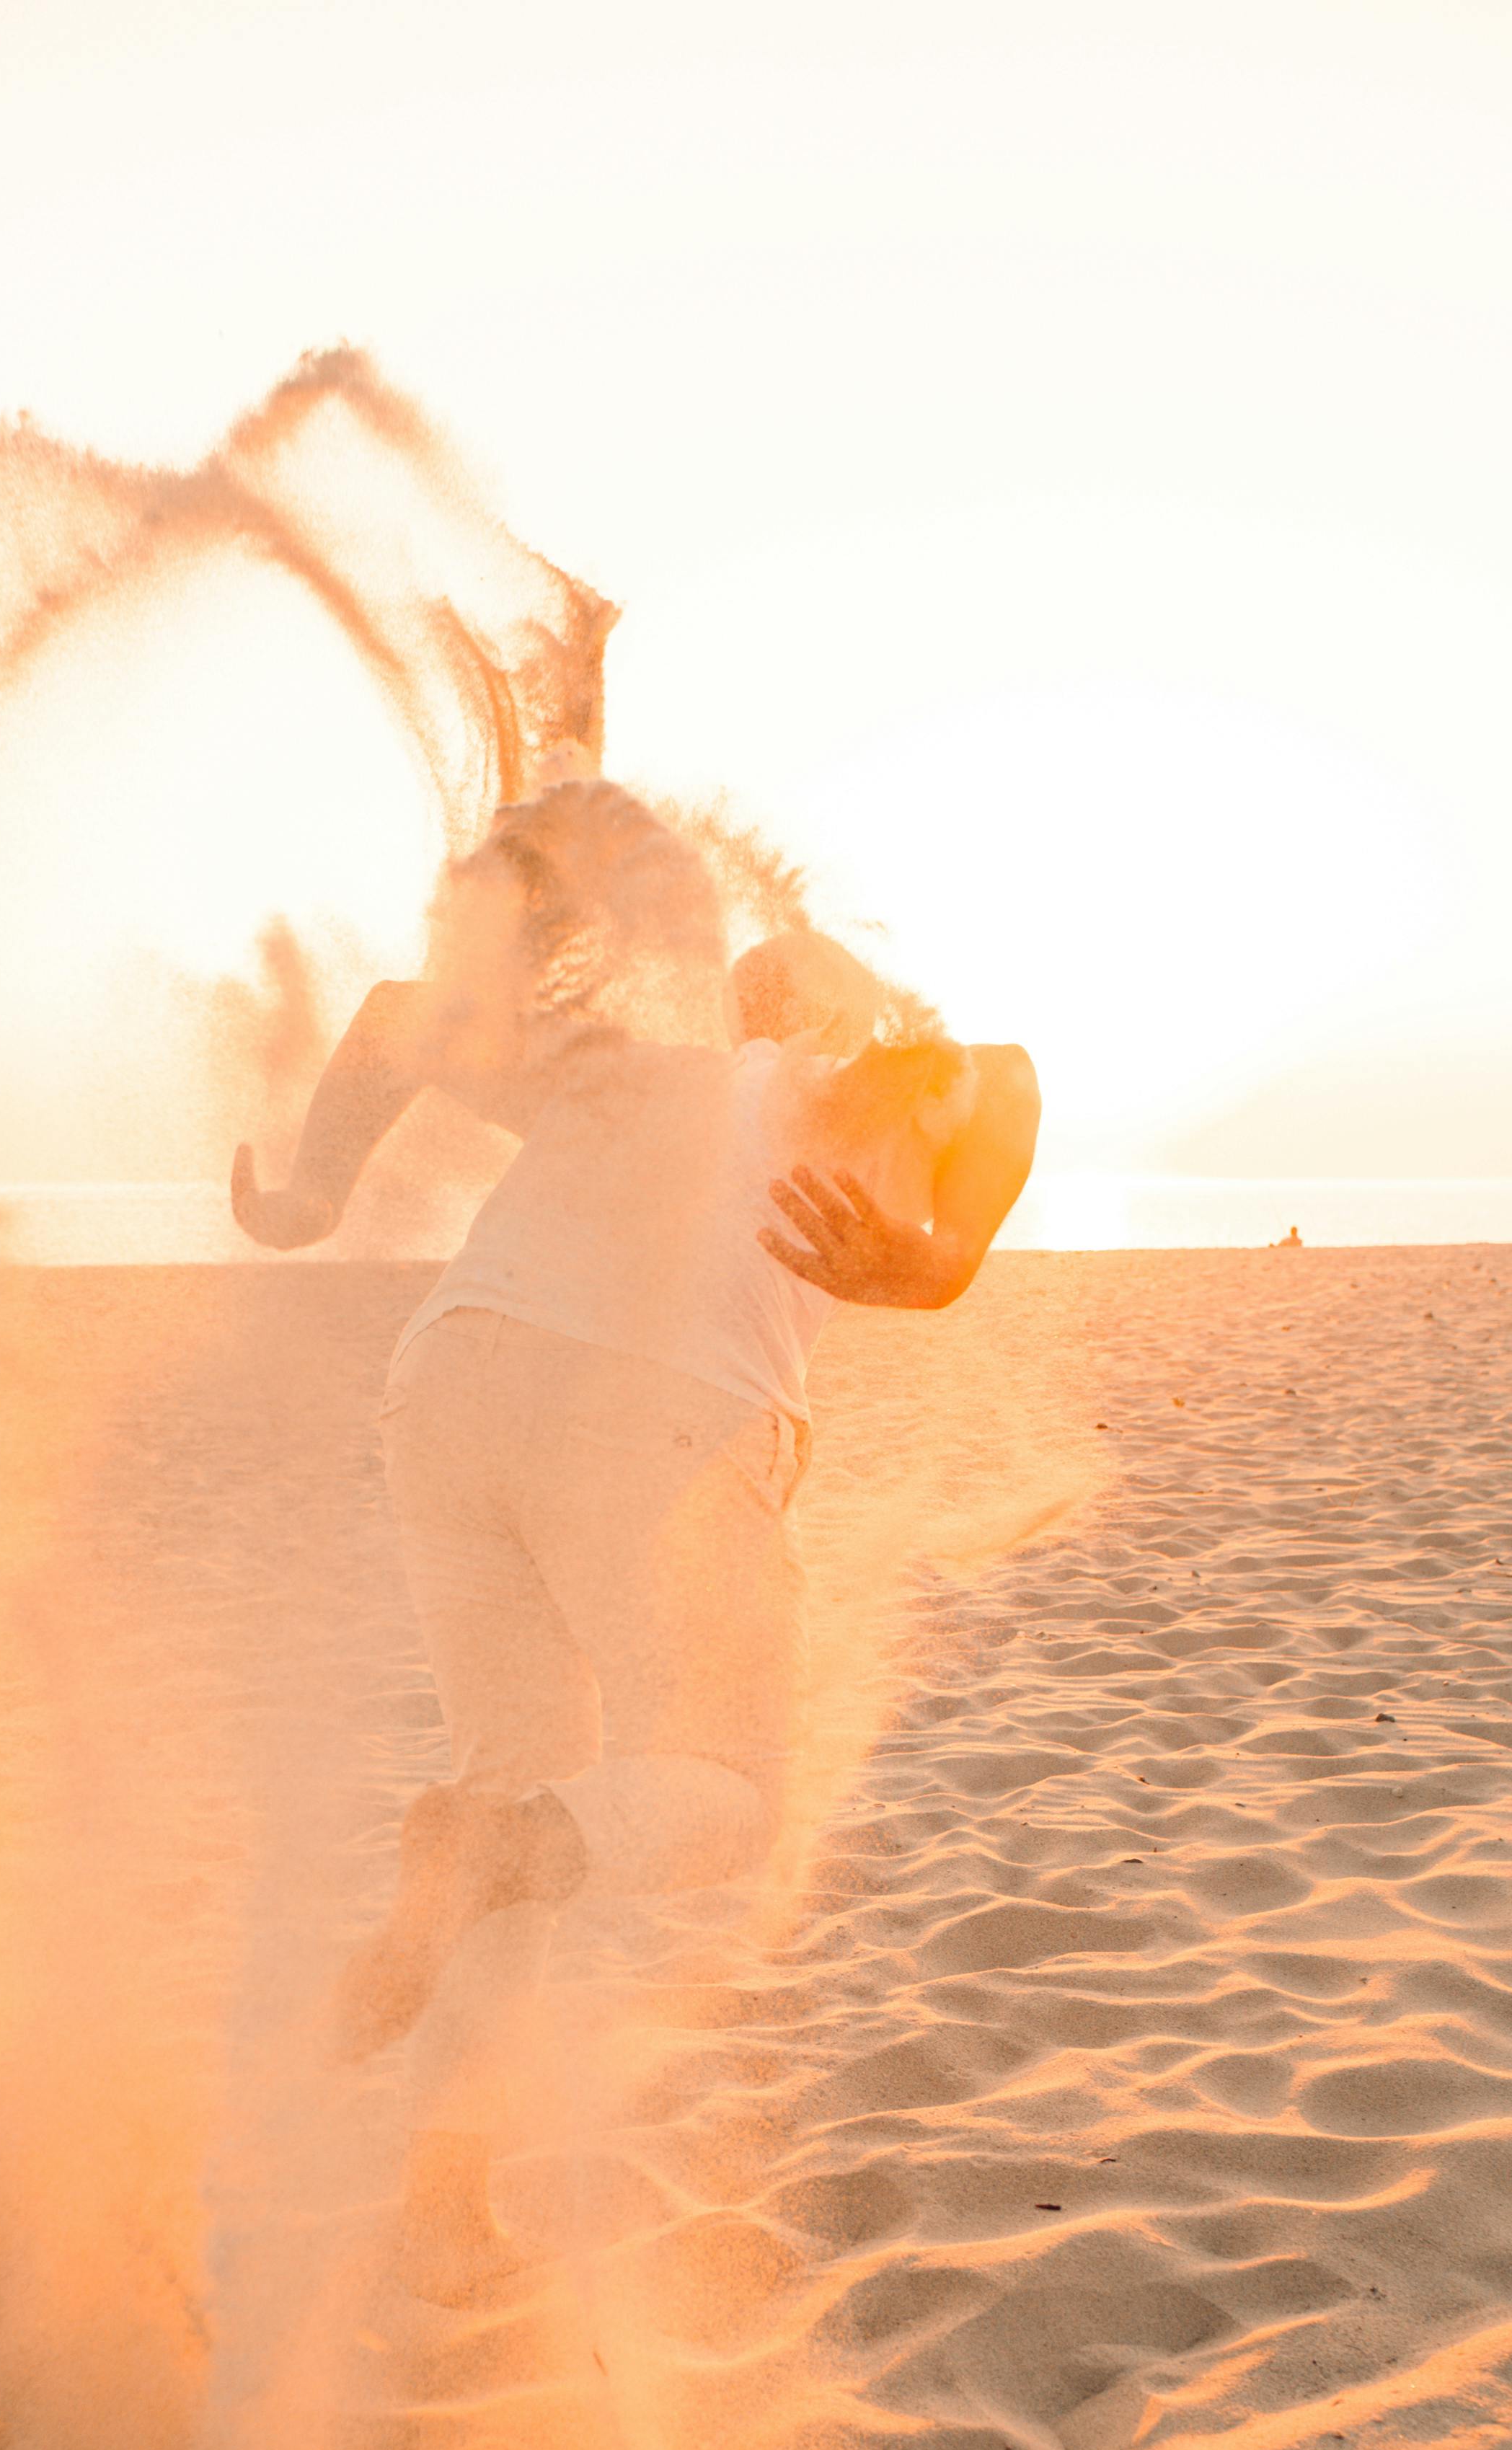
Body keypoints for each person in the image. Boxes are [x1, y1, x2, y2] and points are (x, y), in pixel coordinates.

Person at [233, 787, 1040, 2298]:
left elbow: (404, 1013)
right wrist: (922, 1266)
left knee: (514, 1795)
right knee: (721, 1794)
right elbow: (986, 1150)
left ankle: (439, 2202)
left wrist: (308, 1195)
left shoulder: (632, 1079)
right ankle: (498, 1864)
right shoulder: (926, 1073)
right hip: (654, 1422)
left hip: (449, 1382)